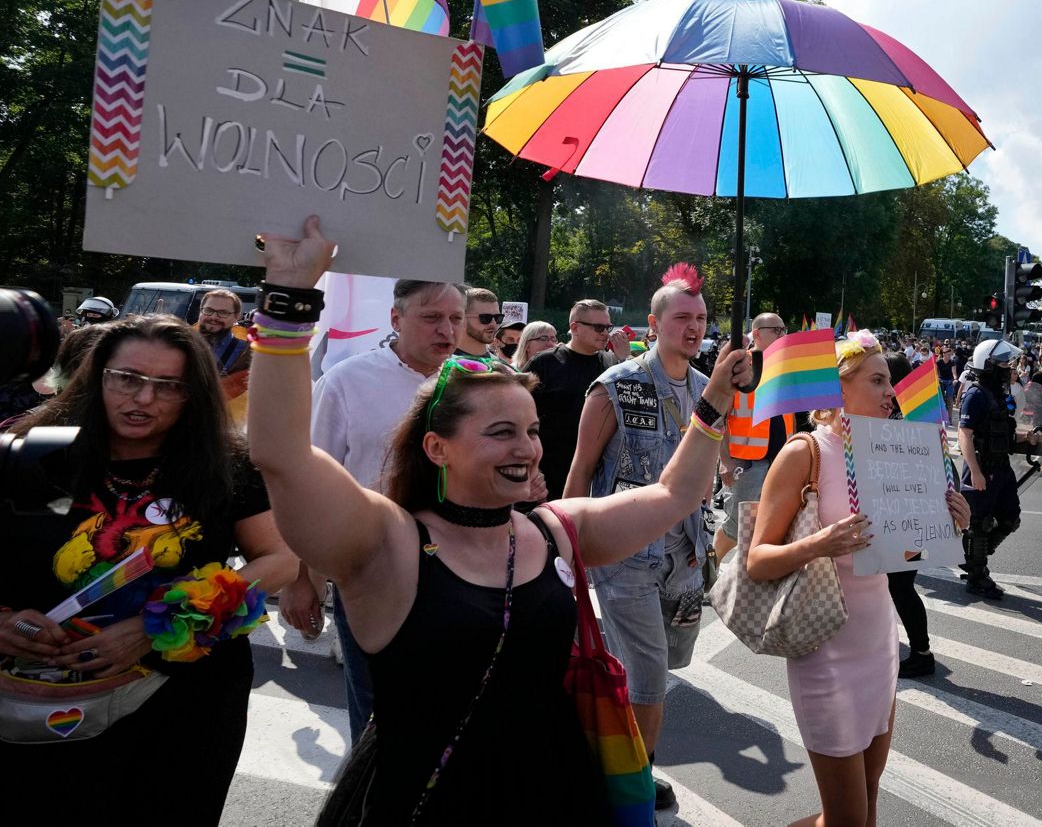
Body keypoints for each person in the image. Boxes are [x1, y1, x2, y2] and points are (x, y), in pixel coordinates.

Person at [246, 216, 750, 823]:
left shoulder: (553, 531)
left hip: (551, 795)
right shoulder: (388, 542)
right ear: (438, 448)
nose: (527, 449)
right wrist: (289, 296)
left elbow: (675, 493)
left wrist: (713, 402)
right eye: (501, 432)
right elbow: (282, 455)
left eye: (532, 431)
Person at [0, 315, 297, 823]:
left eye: (169, 386)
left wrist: (156, 627)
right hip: (39, 696)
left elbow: (281, 560)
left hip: (182, 702)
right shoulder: (29, 452)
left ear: (193, 394)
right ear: (97, 376)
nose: (143, 398)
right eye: (127, 378)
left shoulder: (226, 463)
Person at [747, 332, 968, 827]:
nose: (892, 392)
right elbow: (758, 561)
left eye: (890, 381)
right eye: (878, 380)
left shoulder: (892, 451)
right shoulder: (806, 451)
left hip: (879, 644)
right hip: (824, 649)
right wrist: (818, 544)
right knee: (846, 818)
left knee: (867, 800)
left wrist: (951, 522)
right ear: (839, 386)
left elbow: (905, 551)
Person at [276, 278, 466, 741]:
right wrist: (301, 578)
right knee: (377, 712)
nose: (447, 330)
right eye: (432, 317)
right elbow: (307, 486)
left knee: (452, 707)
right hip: (371, 571)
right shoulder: (347, 381)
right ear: (396, 318)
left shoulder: (477, 383)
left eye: (456, 318)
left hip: (463, 569)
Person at [563, 266, 715, 811]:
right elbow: (580, 471)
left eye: (701, 318)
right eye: (682, 317)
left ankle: (608, 761)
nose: (693, 328)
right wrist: (567, 552)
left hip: (683, 554)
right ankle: (636, 781)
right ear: (654, 323)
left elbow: (705, 473)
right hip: (624, 554)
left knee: (654, 667)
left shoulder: (706, 389)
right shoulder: (615, 385)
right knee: (649, 675)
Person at [881, 349, 971, 678]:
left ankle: (921, 653)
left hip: (910, 524)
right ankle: (908, 649)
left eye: (882, 379)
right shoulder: (906, 419)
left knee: (899, 585)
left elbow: (941, 473)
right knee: (894, 585)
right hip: (902, 523)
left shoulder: (906, 424)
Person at [956, 339, 1042, 600]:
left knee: (1010, 518)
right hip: (982, 467)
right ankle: (977, 575)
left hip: (1002, 468)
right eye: (1004, 364)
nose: (1009, 368)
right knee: (980, 523)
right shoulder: (975, 394)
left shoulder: (997, 395)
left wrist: (1025, 438)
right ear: (989, 365)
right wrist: (975, 472)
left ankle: (973, 556)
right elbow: (964, 434)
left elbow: (999, 432)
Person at [714, 312, 796, 560]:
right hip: (746, 463)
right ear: (757, 334)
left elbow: (792, 415)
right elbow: (719, 417)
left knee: (768, 525)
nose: (783, 335)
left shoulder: (784, 368)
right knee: (736, 527)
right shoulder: (739, 366)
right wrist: (725, 461)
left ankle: (749, 574)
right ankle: (708, 571)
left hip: (779, 460)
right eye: (777, 330)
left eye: (784, 330)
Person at [524, 300, 615, 500]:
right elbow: (517, 416)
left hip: (597, 478)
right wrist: (529, 469)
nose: (605, 333)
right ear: (575, 328)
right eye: (598, 327)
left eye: (608, 327)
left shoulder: (611, 363)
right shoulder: (544, 363)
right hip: (548, 476)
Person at [196, 289, 250, 377]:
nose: (214, 317)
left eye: (223, 313)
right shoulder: (182, 343)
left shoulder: (243, 353)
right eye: (208, 310)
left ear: (236, 317)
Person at [456, 287, 502, 359]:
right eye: (486, 318)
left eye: (498, 318)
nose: (494, 324)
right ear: (462, 318)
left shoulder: (501, 365)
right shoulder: (442, 363)